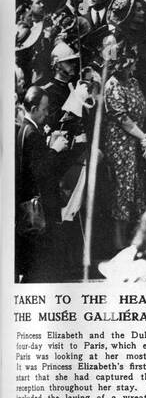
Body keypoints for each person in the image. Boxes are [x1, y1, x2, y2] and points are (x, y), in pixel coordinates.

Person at [101, 37, 146, 252]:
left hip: (136, 142)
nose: (135, 65)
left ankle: (135, 244)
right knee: (123, 191)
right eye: (131, 61)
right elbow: (123, 119)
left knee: (137, 190)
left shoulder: (133, 82)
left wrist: (143, 138)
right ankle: (119, 246)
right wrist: (143, 136)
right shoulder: (112, 86)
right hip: (120, 144)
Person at [15, 85, 67, 282]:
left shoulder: (25, 130)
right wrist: (55, 149)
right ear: (34, 109)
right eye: (44, 109)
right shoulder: (32, 134)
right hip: (37, 204)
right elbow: (42, 171)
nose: (47, 113)